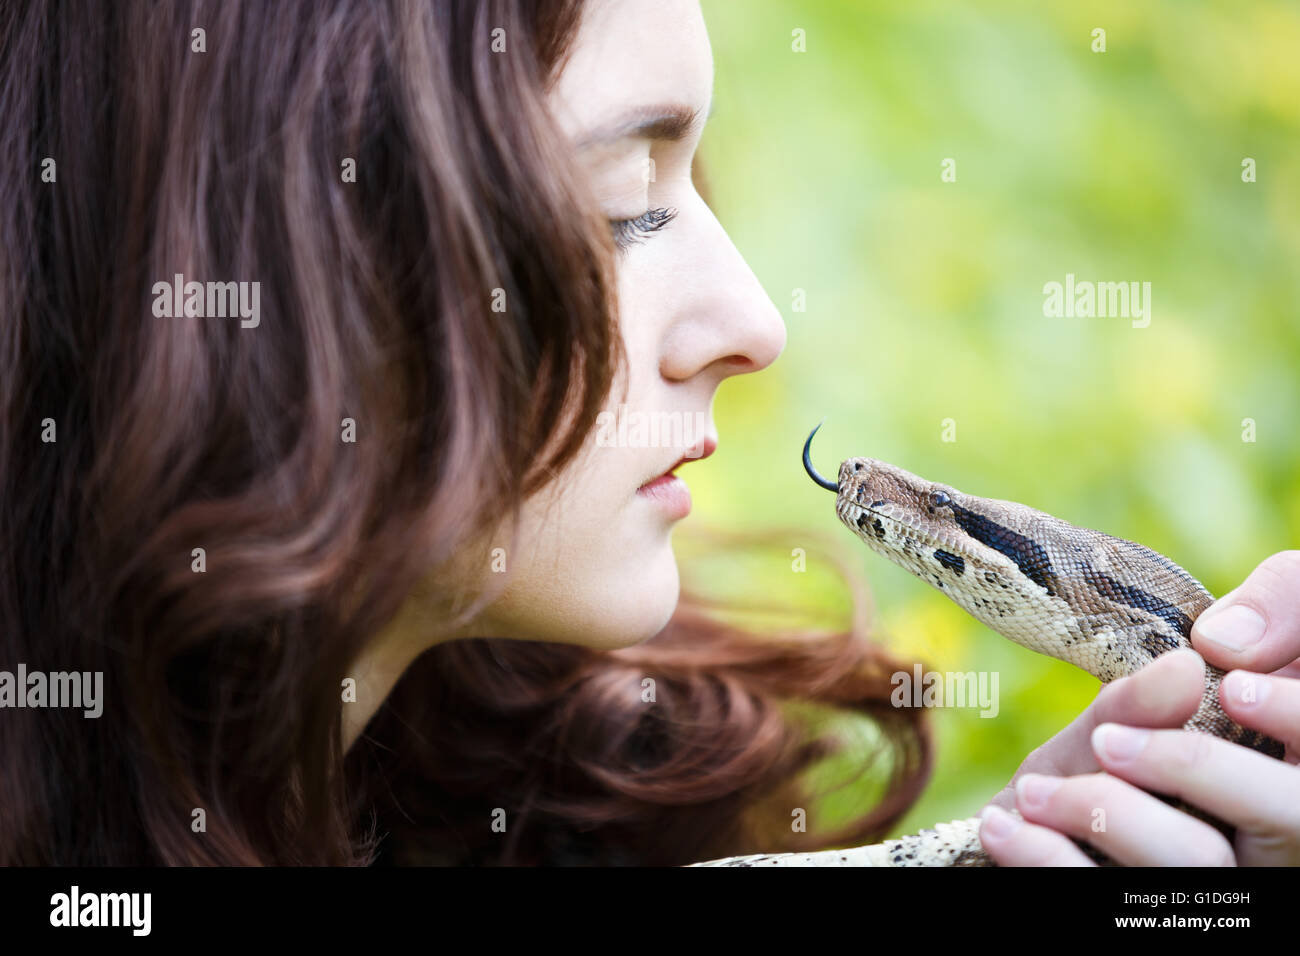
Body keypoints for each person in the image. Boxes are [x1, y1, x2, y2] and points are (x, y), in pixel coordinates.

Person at [2, 0, 1295, 866]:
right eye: (627, 206)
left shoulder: (563, 791)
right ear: (283, 269)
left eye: (697, 182)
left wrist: (1050, 839)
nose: (753, 323)